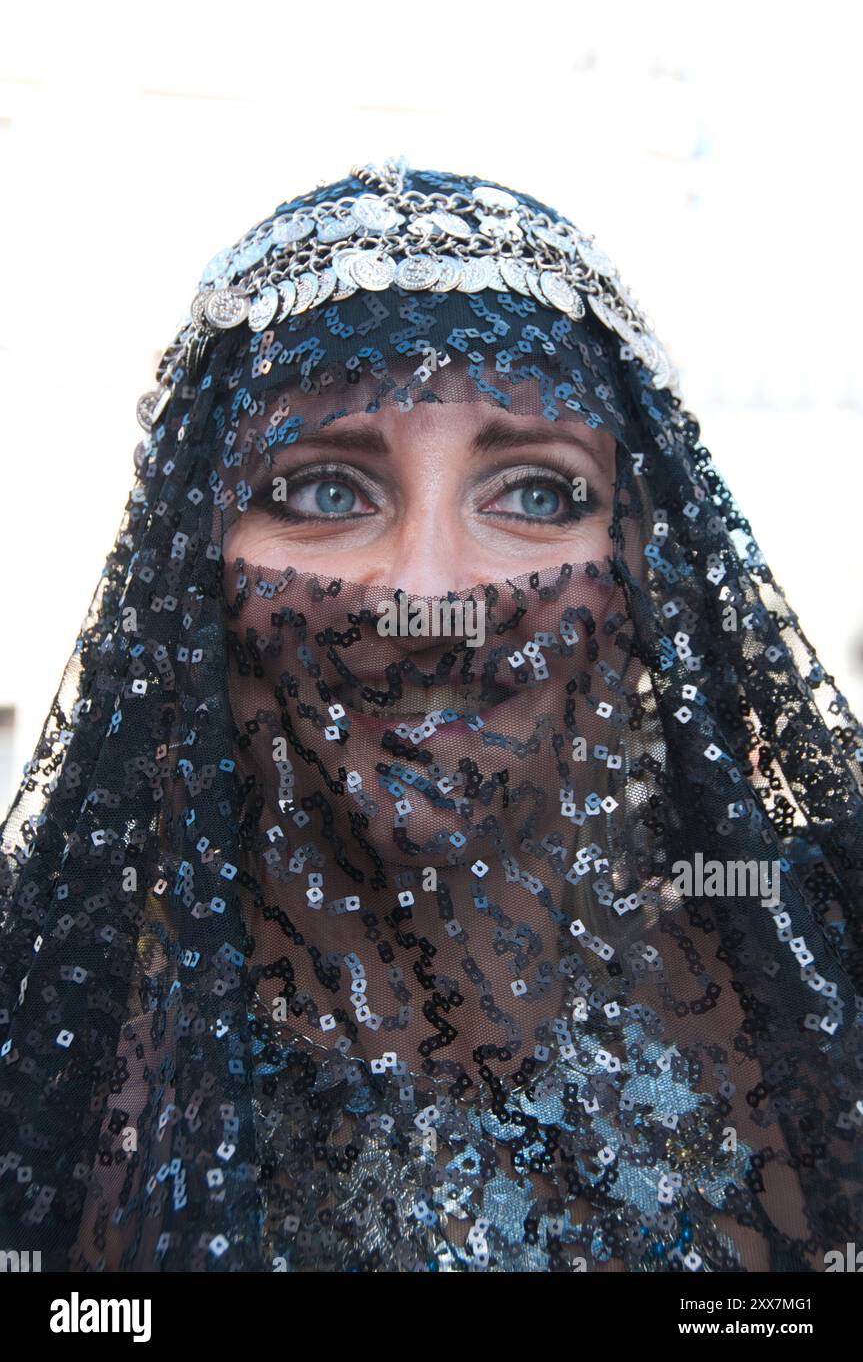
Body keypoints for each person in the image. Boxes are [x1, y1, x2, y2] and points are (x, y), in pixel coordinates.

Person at [1, 157, 861, 1273]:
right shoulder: (45, 1023)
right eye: (324, 492)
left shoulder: (814, 957)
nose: (428, 599)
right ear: (194, 566)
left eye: (535, 495)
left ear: (642, 569)